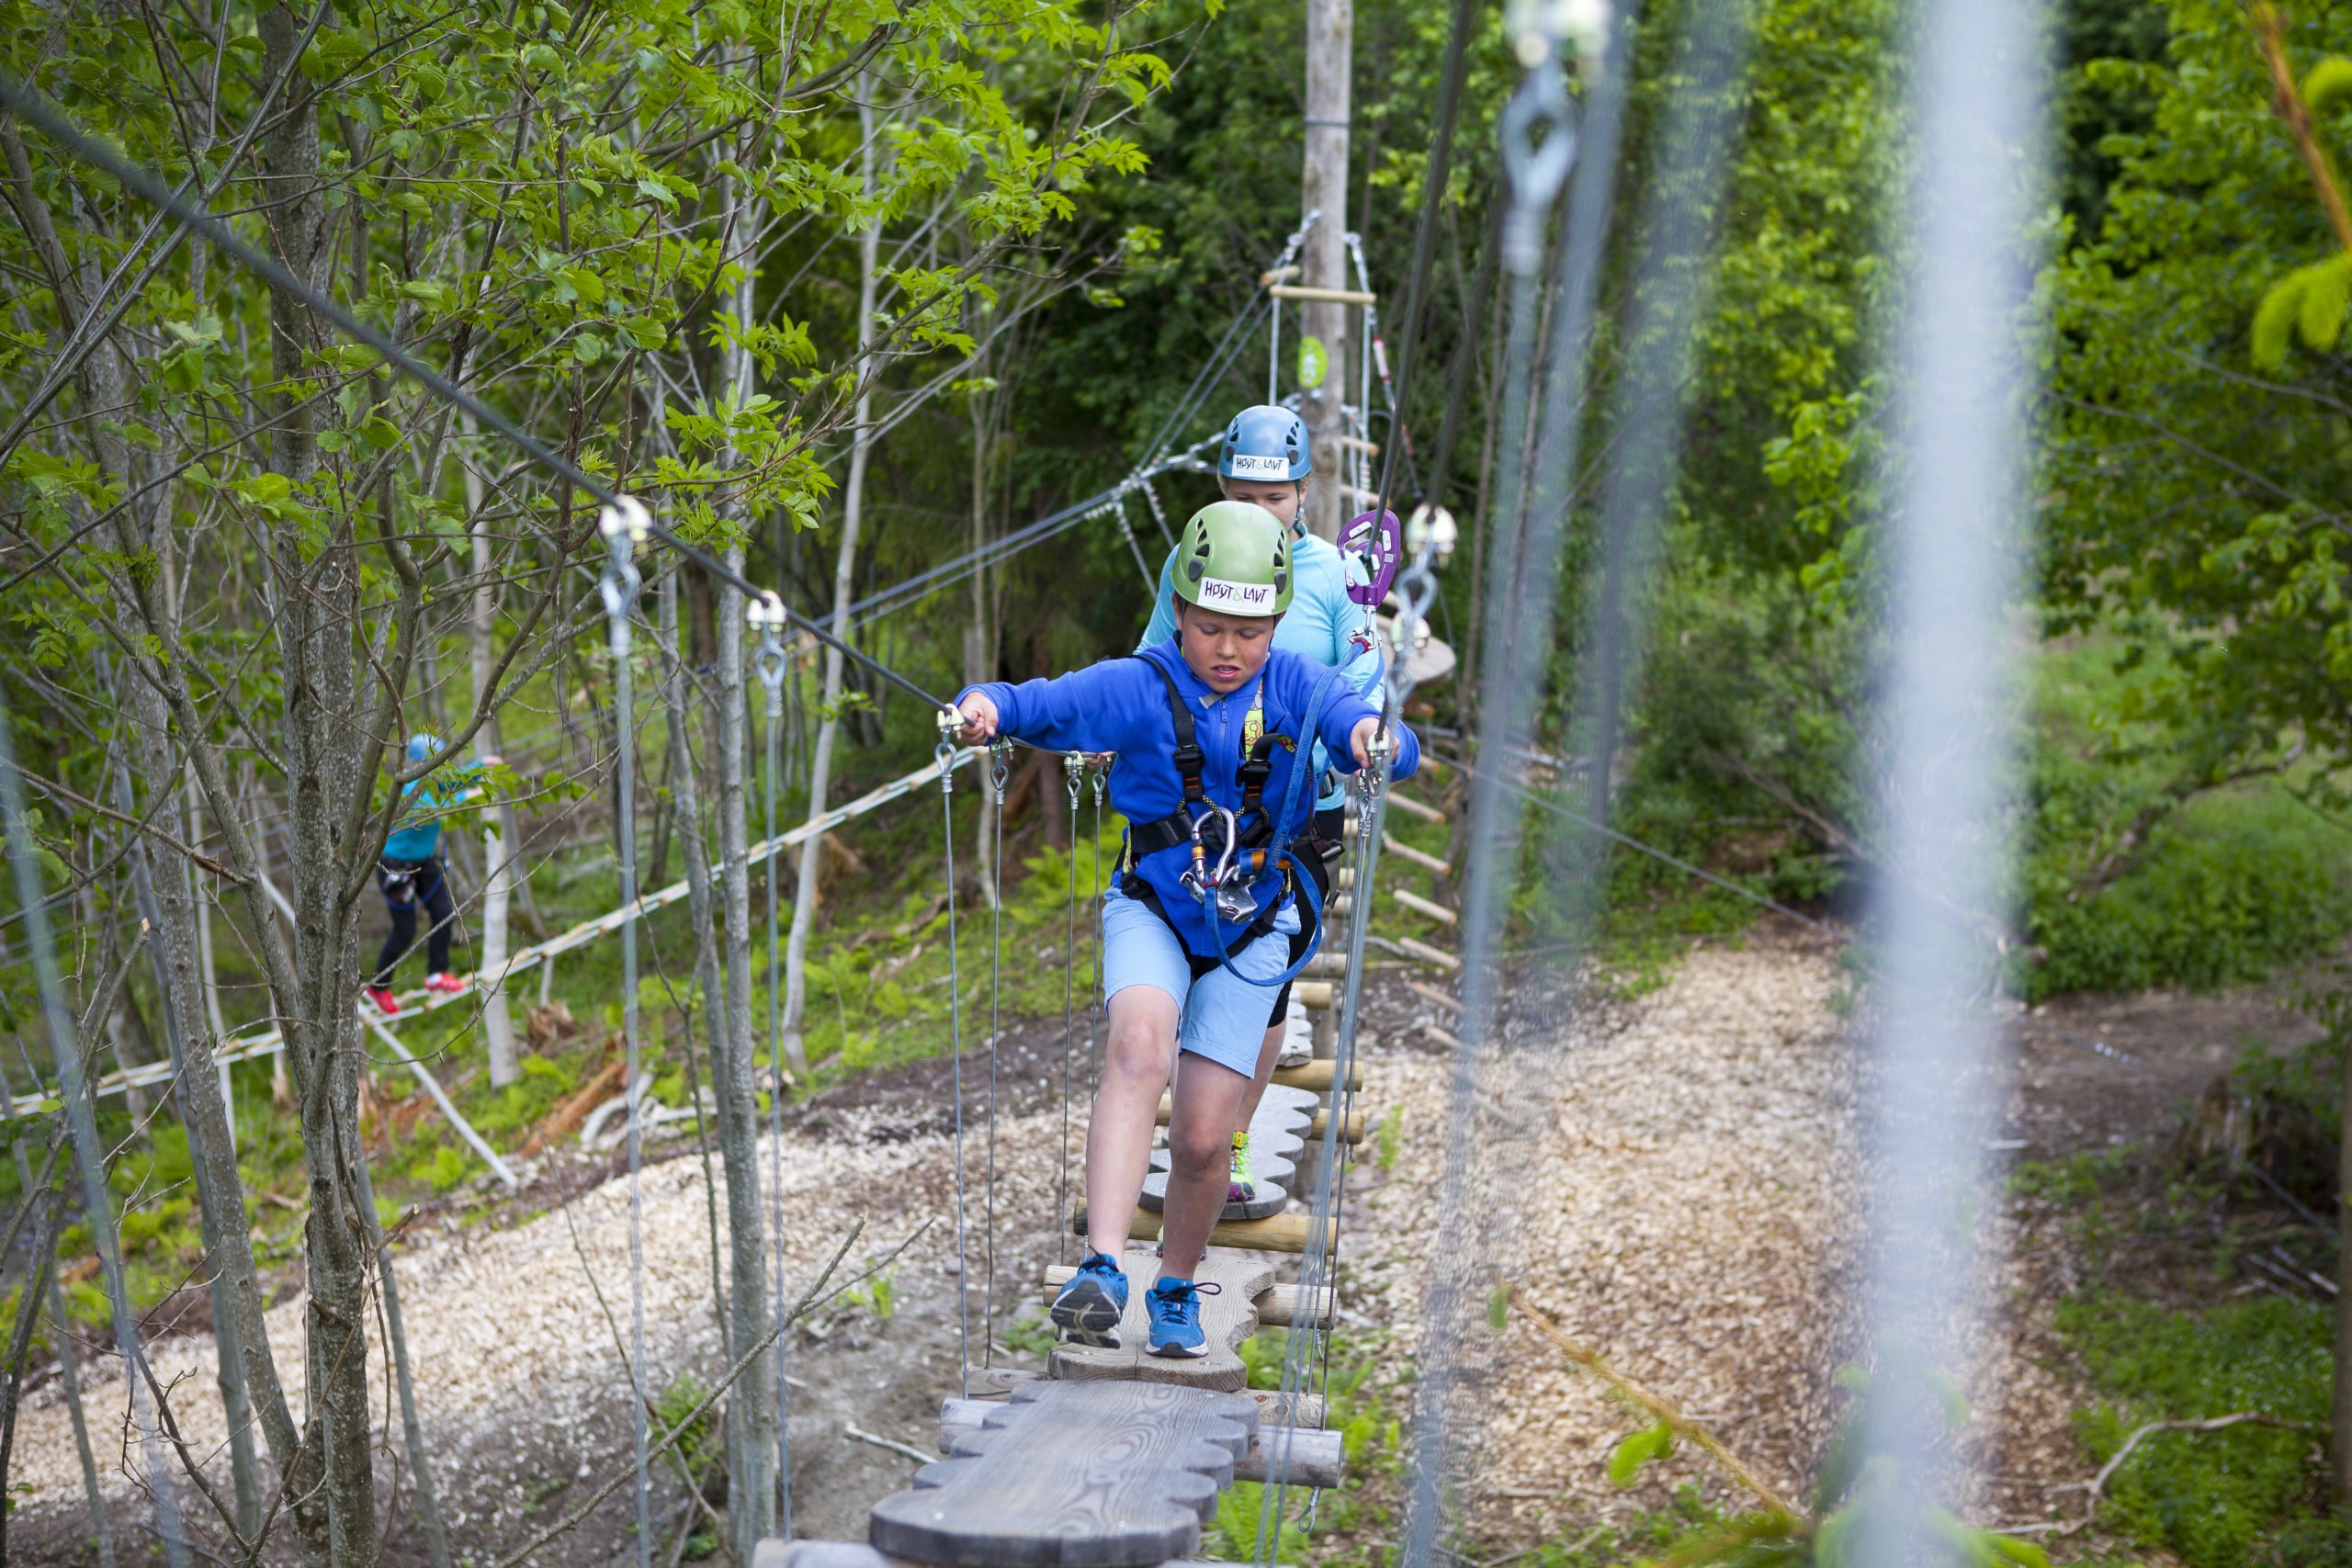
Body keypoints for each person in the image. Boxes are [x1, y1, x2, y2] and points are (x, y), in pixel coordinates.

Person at [952, 501, 1419, 1359]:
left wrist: (1375, 741)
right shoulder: (1142, 683)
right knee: (1138, 1046)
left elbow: (1361, 725)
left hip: (1254, 925)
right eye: (1209, 627)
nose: (1229, 648)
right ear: (1179, 612)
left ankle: (1174, 1282)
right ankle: (1100, 1266)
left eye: (1249, 629)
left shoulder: (1297, 684)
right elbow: (1042, 705)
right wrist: (985, 706)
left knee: (1205, 1138)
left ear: (1277, 622)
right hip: (1156, 907)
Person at [1136, 403, 1383, 1206]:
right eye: (1242, 494)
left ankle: (1227, 1144)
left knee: (1263, 980)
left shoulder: (1336, 578)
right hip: (1201, 801)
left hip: (1295, 804)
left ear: (1305, 493)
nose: (1256, 511)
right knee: (1185, 958)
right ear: (1221, 489)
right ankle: (1184, 1140)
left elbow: (1366, 679)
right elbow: (1149, 663)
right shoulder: (1194, 556)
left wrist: (1354, 730)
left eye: (1273, 498)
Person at [364, 733, 484, 1015]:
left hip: (424, 863)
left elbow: (456, 779)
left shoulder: (436, 779)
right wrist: (467, 797)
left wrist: (482, 768)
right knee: (405, 931)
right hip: (396, 868)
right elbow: (427, 811)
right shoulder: (408, 787)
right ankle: (378, 987)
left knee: (443, 913)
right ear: (418, 763)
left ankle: (436, 974)